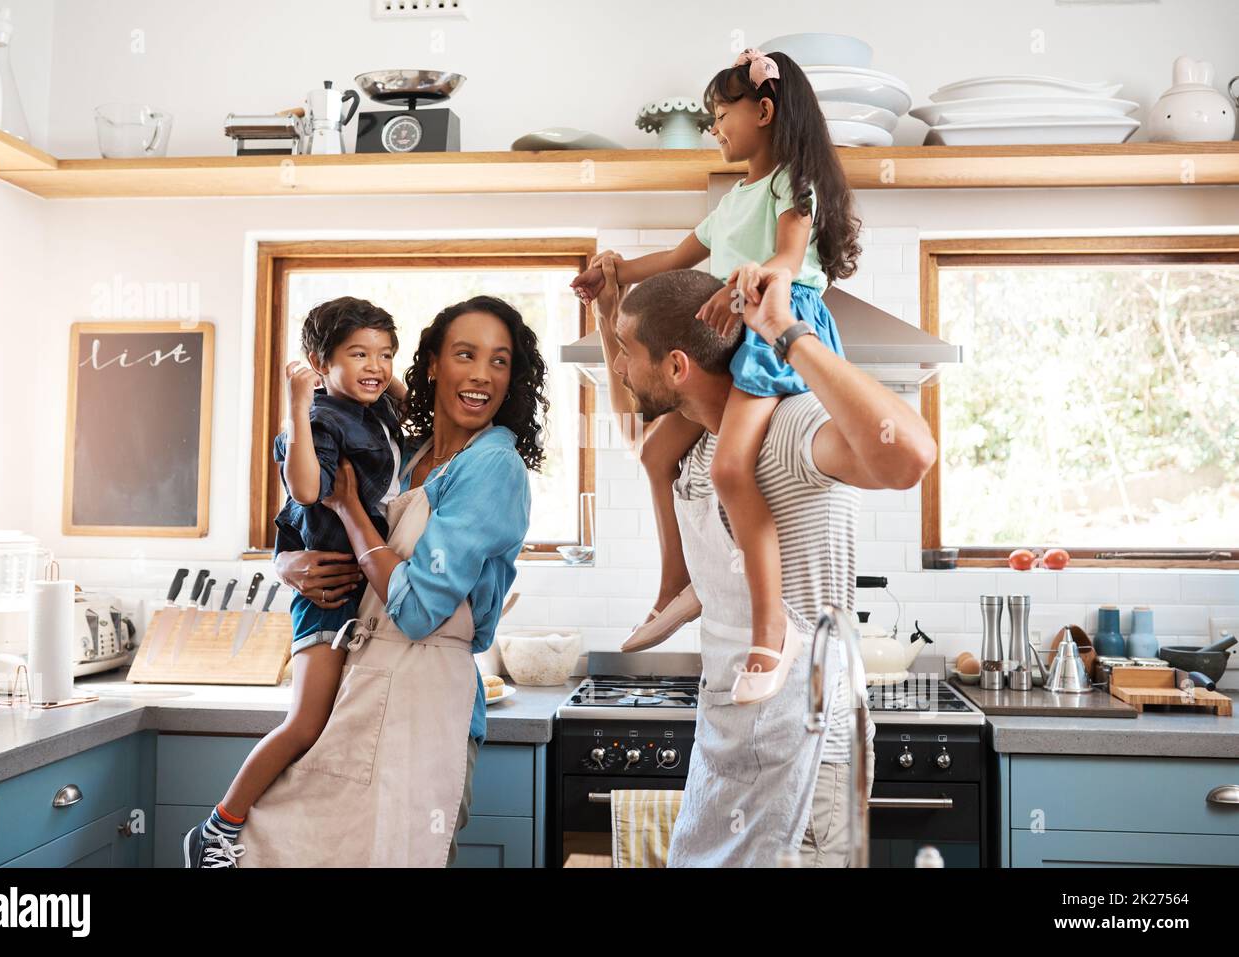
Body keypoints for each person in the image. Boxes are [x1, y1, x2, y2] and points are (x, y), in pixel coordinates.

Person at [592, 255, 936, 866]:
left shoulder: (788, 428)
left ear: (677, 366)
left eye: (626, 351)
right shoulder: (693, 444)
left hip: (806, 754)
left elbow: (908, 456)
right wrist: (606, 312)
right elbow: (637, 418)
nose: (617, 366)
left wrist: (787, 331)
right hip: (731, 736)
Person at [571, 48, 862, 705]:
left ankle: (772, 629)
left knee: (731, 469)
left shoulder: (795, 181)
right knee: (655, 452)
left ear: (763, 110)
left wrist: (756, 277)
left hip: (771, 329)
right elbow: (677, 258)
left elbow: (790, 256)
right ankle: (677, 581)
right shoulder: (733, 198)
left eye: (721, 113)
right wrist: (613, 275)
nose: (715, 128)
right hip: (727, 339)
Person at [241, 295, 547, 867]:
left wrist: (354, 514)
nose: (482, 374)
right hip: (363, 692)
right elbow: (310, 505)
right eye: (464, 354)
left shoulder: (493, 465)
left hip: (428, 703)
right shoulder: (407, 452)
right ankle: (217, 831)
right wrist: (286, 563)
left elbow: (418, 610)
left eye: (500, 361)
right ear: (432, 364)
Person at [184, 296, 403, 868]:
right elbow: (307, 489)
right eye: (358, 353)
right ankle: (216, 828)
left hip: (357, 590)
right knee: (306, 724)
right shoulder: (319, 419)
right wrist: (298, 401)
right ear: (318, 360)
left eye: (384, 353)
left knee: (331, 730)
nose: (375, 365)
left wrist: (382, 373)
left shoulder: (372, 408)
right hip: (328, 593)